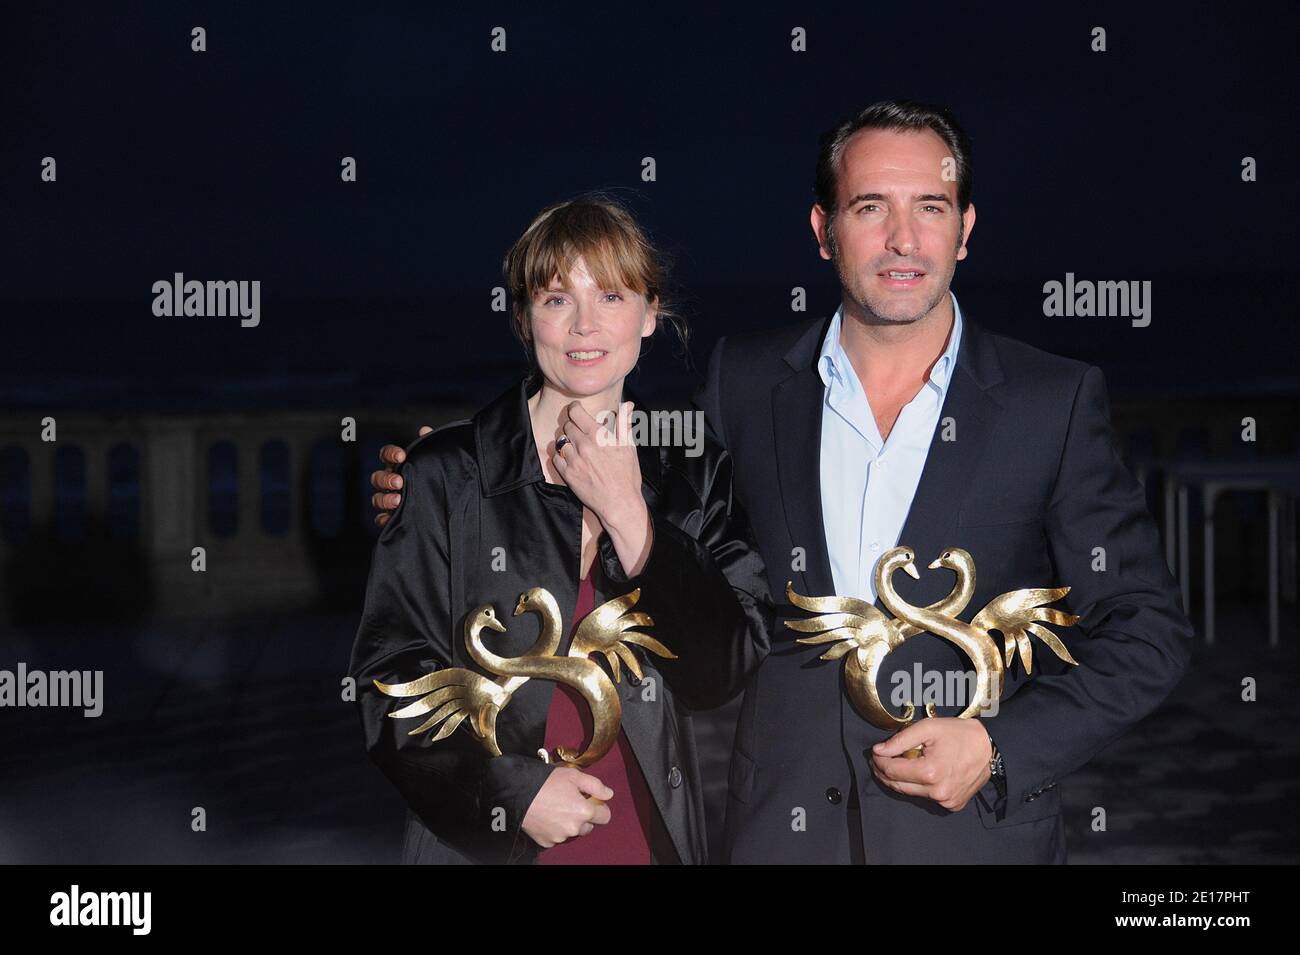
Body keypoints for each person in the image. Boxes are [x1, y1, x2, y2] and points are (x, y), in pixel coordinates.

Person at [350, 193, 771, 865]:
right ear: (522, 318)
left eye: (610, 295)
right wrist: (510, 794)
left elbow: (720, 673)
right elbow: (391, 680)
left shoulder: (694, 473)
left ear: (650, 312)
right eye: (555, 299)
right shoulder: (447, 474)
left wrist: (633, 520)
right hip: (487, 840)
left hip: (643, 836)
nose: (584, 326)